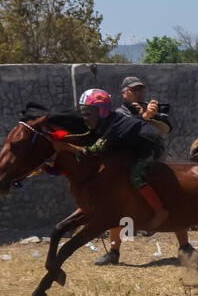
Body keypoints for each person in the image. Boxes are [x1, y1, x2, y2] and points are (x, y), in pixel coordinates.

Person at [94, 76, 192, 266]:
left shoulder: (149, 107)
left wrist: (154, 115)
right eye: (134, 90)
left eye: (140, 89)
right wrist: (144, 117)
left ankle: (185, 246)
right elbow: (127, 131)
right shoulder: (119, 113)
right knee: (117, 202)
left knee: (173, 194)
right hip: (130, 162)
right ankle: (114, 252)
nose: (139, 93)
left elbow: (167, 127)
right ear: (124, 93)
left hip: (153, 158)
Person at [77, 88, 169, 231]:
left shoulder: (113, 125)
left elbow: (96, 148)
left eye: (88, 113)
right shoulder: (107, 122)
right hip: (138, 147)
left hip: (152, 148)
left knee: (135, 176)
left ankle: (160, 211)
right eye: (83, 113)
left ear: (101, 112)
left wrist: (69, 148)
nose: (85, 118)